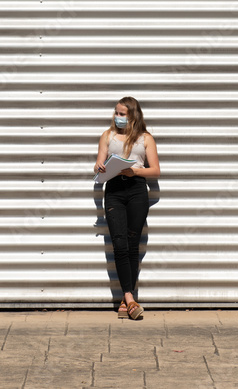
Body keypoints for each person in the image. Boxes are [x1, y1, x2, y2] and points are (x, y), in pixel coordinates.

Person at [94, 97, 160, 320]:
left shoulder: (145, 138)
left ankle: (125, 300)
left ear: (133, 116)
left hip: (137, 190)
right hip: (114, 190)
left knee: (133, 244)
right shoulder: (107, 136)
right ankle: (130, 298)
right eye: (116, 113)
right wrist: (99, 166)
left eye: (122, 114)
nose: (117, 118)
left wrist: (135, 172)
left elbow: (156, 171)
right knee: (119, 243)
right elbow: (98, 164)